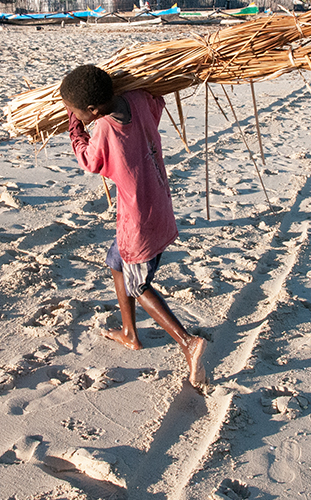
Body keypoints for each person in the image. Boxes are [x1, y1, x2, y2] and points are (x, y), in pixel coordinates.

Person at [60, 64, 208, 387]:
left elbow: (89, 160)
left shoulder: (103, 130)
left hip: (139, 223)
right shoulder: (138, 98)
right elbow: (155, 102)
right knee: (115, 263)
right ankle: (130, 333)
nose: (74, 115)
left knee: (140, 286)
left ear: (92, 110)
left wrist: (74, 128)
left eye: (75, 111)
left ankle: (188, 343)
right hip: (155, 204)